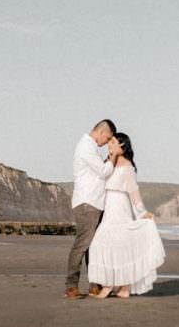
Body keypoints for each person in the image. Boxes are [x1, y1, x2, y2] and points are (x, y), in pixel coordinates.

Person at [87, 132, 166, 298]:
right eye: (110, 142)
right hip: (109, 207)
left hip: (120, 207)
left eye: (113, 142)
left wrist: (142, 212)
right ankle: (121, 288)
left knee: (115, 245)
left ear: (122, 147)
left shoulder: (128, 167)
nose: (109, 145)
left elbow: (134, 193)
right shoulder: (109, 164)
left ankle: (113, 287)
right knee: (103, 245)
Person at [64, 119, 123, 299]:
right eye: (108, 139)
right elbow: (104, 172)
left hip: (94, 202)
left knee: (93, 247)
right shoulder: (86, 147)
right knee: (82, 244)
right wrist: (113, 156)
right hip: (87, 203)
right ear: (102, 133)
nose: (107, 143)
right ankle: (71, 285)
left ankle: (94, 284)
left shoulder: (91, 148)